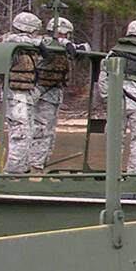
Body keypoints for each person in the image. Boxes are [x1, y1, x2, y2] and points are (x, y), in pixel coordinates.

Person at [98, 19, 136, 173]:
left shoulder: (112, 53)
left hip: (116, 100)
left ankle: (113, 173)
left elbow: (103, 77)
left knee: (114, 138)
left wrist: (107, 97)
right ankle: (135, 174)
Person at [0, 11, 45, 173]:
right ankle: (12, 172)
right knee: (21, 133)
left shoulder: (29, 45)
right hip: (14, 95)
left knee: (29, 132)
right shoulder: (12, 41)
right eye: (35, 31)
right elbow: (11, 39)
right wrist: (35, 42)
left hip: (26, 95)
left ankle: (22, 169)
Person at [30, 16, 78, 171]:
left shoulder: (65, 46)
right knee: (41, 130)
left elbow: (78, 48)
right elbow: (49, 42)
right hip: (41, 93)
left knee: (49, 133)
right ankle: (33, 167)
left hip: (54, 93)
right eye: (65, 35)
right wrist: (64, 42)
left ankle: (40, 165)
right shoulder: (43, 43)